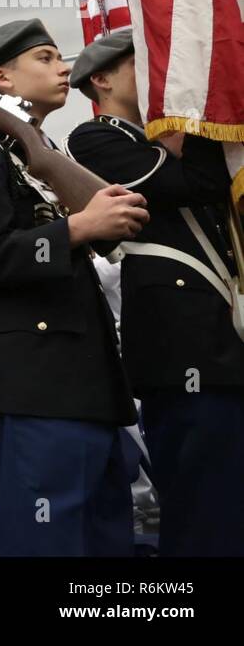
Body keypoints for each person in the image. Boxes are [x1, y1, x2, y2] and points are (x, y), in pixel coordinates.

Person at [0, 19, 147, 556]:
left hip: (87, 381)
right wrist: (79, 227)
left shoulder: (44, 151)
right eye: (45, 58)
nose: (65, 68)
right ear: (2, 78)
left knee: (107, 542)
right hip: (32, 384)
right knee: (47, 541)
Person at [65, 28, 244, 556]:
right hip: (183, 350)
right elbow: (185, 185)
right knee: (202, 510)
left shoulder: (170, 139)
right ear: (101, 79)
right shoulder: (94, 139)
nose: (166, 73)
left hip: (225, 343)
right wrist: (214, 112)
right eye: (145, 63)